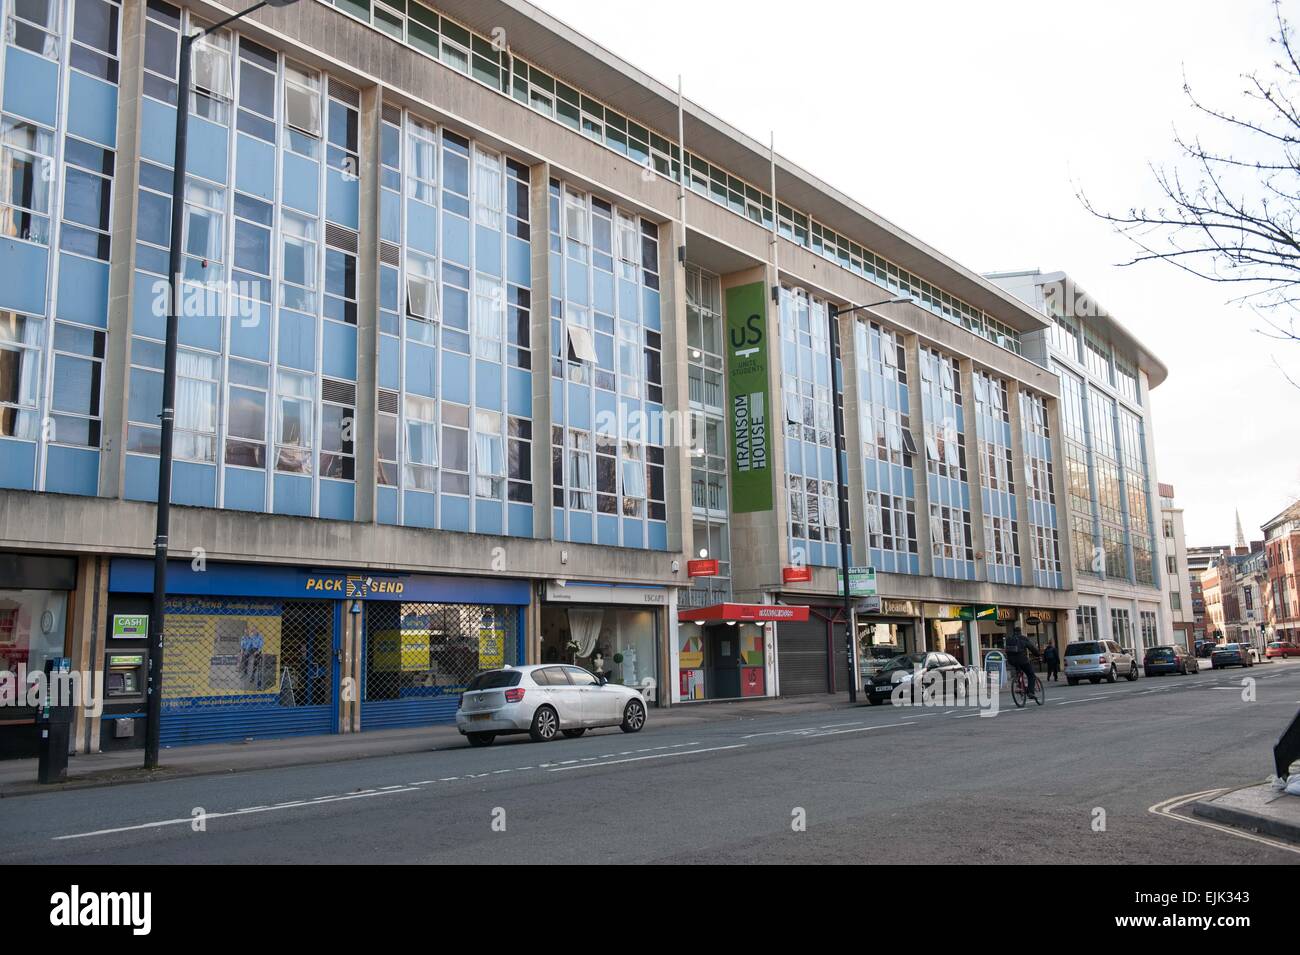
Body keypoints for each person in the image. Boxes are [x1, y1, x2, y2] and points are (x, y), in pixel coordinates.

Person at [1004, 627, 1040, 700]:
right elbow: (1032, 648)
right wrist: (1037, 654)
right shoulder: (1023, 638)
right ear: (1020, 631)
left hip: (1011, 661)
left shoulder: (1009, 639)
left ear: (1013, 632)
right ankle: (1031, 692)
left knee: (1019, 670)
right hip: (1022, 660)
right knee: (1031, 675)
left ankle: (1019, 685)